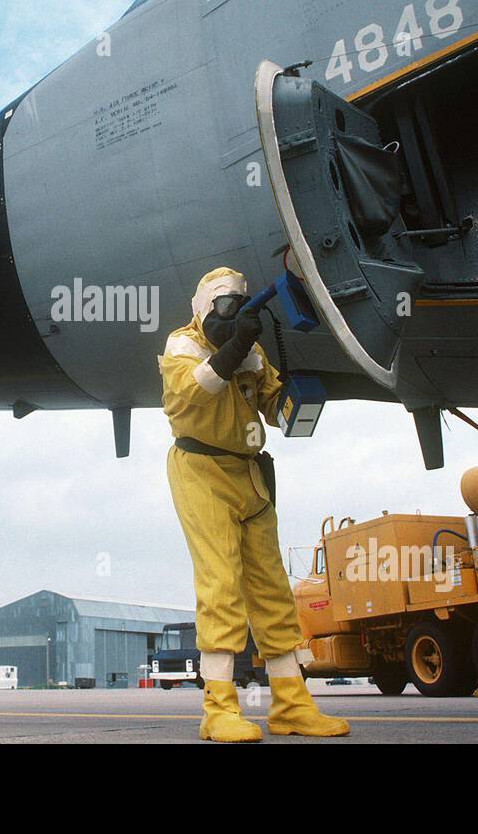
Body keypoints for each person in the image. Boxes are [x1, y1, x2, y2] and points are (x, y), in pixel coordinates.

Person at [158, 267, 350, 742]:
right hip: (202, 470)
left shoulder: (251, 351)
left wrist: (290, 398)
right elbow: (189, 396)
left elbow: (268, 399)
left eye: (240, 309)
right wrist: (235, 349)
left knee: (272, 590)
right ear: (203, 308)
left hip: (250, 472)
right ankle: (218, 708)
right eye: (224, 309)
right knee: (220, 582)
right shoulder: (182, 347)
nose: (233, 318)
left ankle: (291, 703)